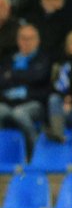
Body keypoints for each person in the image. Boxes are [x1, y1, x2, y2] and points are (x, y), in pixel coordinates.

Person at [0, 24, 52, 155]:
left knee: (20, 113)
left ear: (37, 40)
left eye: (30, 38)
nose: (26, 42)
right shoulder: (8, 60)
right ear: (18, 40)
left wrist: (13, 75)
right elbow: (2, 82)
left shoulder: (44, 59)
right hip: (8, 103)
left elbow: (39, 77)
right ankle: (4, 153)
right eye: (23, 38)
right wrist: (26, 75)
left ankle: (34, 153)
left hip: (35, 103)